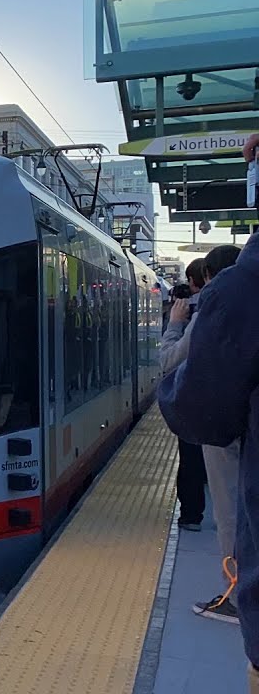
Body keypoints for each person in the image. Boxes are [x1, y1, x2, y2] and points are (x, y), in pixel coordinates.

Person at [157, 230, 259, 685]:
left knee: (234, 507)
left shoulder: (237, 290)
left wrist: (177, 324)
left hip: (235, 441)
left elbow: (182, 378)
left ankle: (236, 594)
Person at [160, 244, 243, 624]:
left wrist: (175, 323)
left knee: (228, 512)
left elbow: (168, 361)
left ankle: (236, 597)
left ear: (208, 277)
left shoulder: (215, 302)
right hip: (245, 417)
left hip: (221, 422)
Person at [166, 258, 208, 532]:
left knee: (190, 457)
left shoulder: (200, 311)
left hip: (196, 399)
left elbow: (171, 360)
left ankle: (191, 515)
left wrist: (174, 324)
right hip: (230, 400)